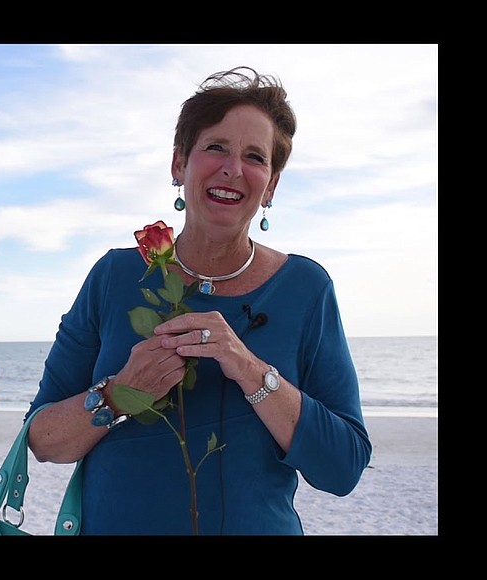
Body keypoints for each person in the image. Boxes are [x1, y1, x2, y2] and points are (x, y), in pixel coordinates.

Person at [25, 66, 372, 535]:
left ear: (270, 186)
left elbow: (343, 467)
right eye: (216, 147)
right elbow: (43, 440)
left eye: (255, 157)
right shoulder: (114, 276)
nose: (233, 168)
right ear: (179, 164)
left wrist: (248, 369)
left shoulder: (306, 288)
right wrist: (121, 392)